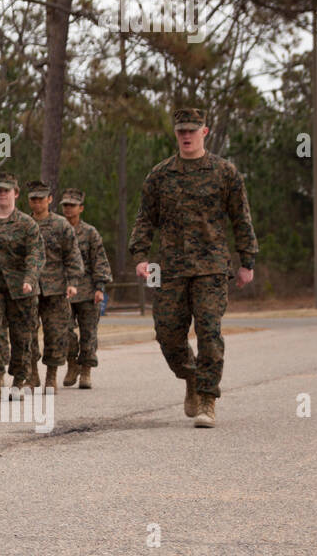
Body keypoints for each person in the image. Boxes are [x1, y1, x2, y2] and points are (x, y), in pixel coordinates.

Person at [128, 108, 257, 428]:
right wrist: (141, 256)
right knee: (167, 334)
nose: (186, 135)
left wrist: (247, 261)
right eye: (181, 130)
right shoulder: (159, 175)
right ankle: (191, 376)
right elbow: (145, 218)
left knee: (209, 332)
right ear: (176, 134)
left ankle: (207, 399)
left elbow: (241, 217)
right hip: (168, 267)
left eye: (192, 130)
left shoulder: (225, 172)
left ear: (205, 132)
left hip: (212, 267)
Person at [0, 172, 44, 399]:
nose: (2, 195)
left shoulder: (27, 224)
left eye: (6, 191)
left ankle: (20, 380)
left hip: (22, 289)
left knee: (22, 336)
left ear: (16, 194)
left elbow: (35, 255)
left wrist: (30, 279)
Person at [25, 180, 85, 392]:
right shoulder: (25, 224)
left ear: (49, 200)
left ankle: (51, 376)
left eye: (41, 199)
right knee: (28, 334)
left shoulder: (61, 225)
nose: (37, 203)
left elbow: (72, 256)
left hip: (56, 289)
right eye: (33, 199)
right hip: (30, 289)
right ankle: (32, 374)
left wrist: (73, 283)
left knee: (55, 334)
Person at [60, 188, 111, 389]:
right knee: (64, 331)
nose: (68, 209)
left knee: (89, 332)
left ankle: (86, 370)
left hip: (88, 290)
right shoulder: (58, 229)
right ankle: (72, 363)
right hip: (64, 289)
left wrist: (100, 287)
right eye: (65, 205)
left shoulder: (90, 233)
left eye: (72, 205)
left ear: (81, 208)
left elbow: (99, 261)